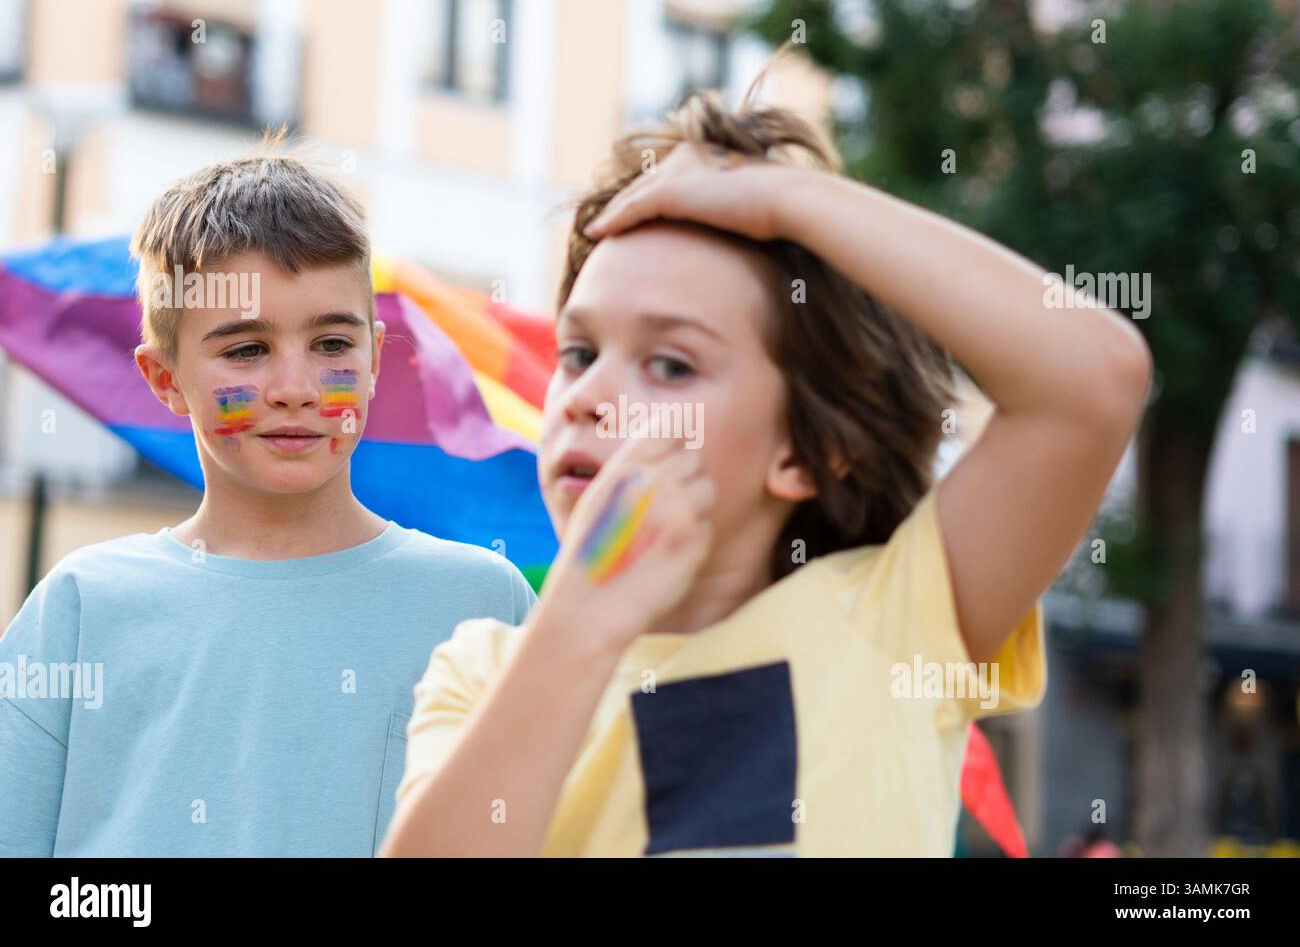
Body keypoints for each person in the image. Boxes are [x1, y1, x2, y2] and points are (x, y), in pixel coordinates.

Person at [381, 86, 1150, 857]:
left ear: (808, 453)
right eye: (578, 354)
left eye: (671, 364)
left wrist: (785, 199)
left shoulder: (900, 617)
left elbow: (1095, 380)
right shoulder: (482, 673)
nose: (589, 397)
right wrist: (581, 622)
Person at [0, 145, 534, 856]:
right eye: (246, 350)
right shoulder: (78, 609)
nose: (297, 387)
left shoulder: (481, 604)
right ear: (163, 378)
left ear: (375, 360)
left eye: (332, 343)